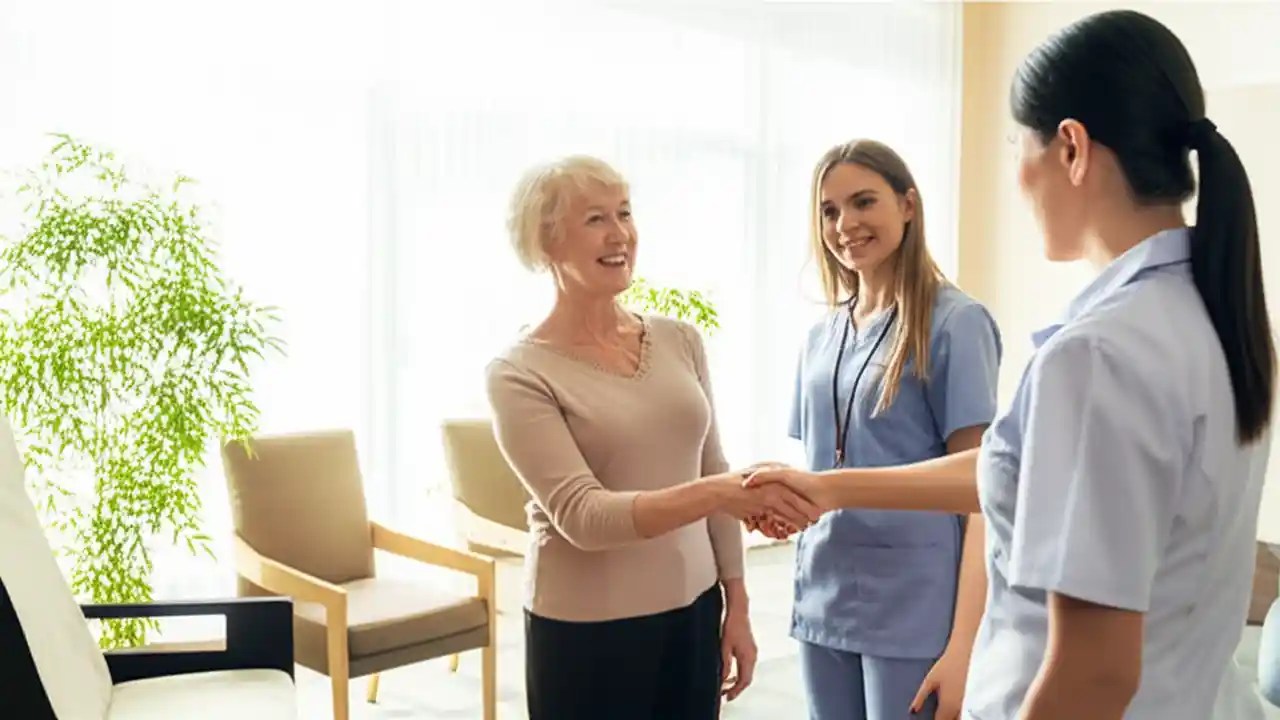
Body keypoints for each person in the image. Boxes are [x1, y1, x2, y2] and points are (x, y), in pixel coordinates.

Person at [746, 9, 1275, 719]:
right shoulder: (1211, 318)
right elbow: (1017, 469)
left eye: (1015, 149)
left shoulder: (1095, 356)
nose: (1018, 179)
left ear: (1070, 148)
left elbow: (1092, 676)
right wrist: (829, 488)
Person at [485, 154, 820, 720]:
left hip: (692, 614)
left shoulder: (679, 340)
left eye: (624, 213)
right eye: (595, 219)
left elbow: (714, 465)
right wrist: (722, 492)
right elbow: (585, 517)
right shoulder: (518, 373)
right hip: (587, 634)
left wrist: (735, 602)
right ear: (546, 244)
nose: (620, 234)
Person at [759, 139, 1001, 720]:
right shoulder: (820, 338)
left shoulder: (956, 324)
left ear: (908, 205)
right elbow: (824, 468)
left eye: (864, 202)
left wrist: (965, 646)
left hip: (915, 607)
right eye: (830, 211)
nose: (846, 225)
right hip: (823, 593)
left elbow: (983, 496)